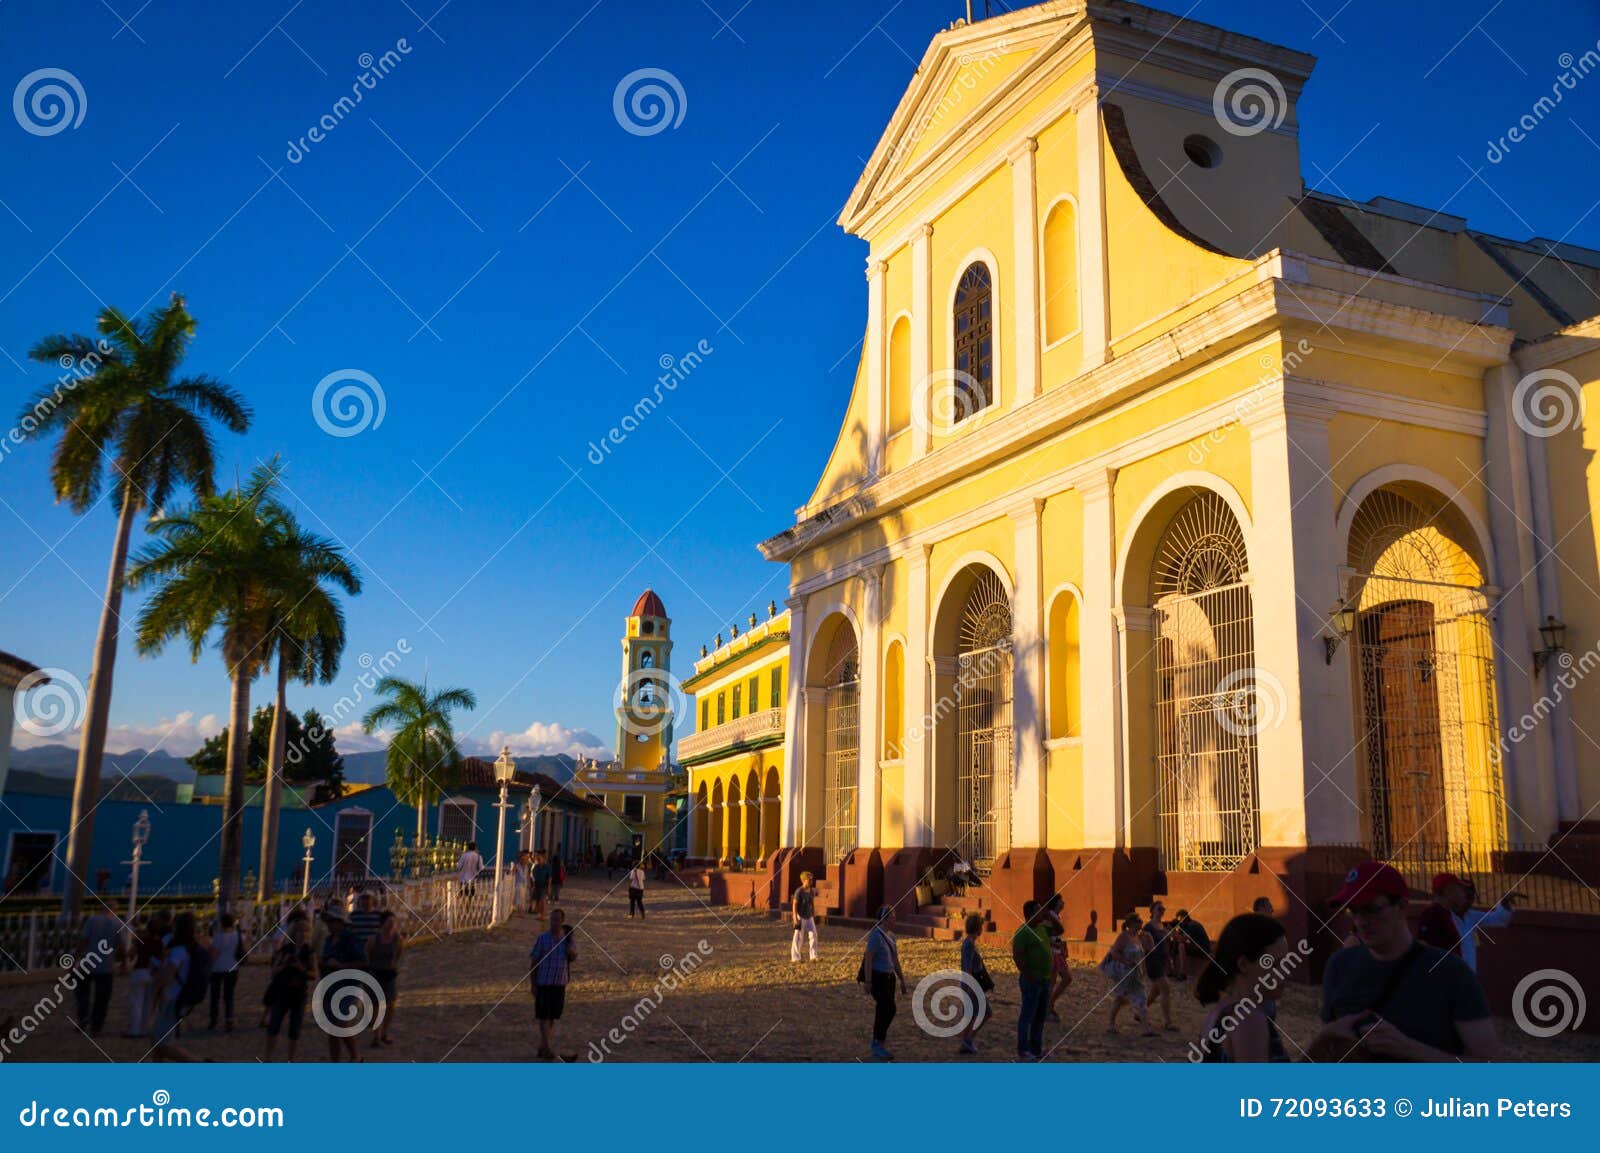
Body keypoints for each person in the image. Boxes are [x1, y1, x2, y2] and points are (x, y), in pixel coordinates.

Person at [1311, 861, 1498, 1062]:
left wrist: (1410, 1049)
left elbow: (1487, 1065)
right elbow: (1327, 1048)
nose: (1361, 921)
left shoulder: (1451, 972)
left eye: (1372, 909)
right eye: (1353, 911)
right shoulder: (1339, 965)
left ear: (1401, 906)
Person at [1194, 912, 1291, 1062]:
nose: (1286, 972)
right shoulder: (1249, 1020)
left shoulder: (1218, 1013)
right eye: (1275, 964)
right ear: (1244, 964)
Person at [1418, 873, 1514, 972]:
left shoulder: (1469, 916)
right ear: (1449, 892)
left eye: (1470, 897)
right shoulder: (1434, 915)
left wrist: (1504, 903)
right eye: (1462, 892)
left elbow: (1497, 919)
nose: (1465, 898)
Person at [262, 911, 316, 1062]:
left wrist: (301, 968)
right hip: (282, 992)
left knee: (295, 1030)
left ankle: (291, 1060)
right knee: (274, 1026)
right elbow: (273, 971)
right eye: (299, 931)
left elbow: (314, 974)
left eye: (305, 931)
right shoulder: (285, 950)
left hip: (299, 994)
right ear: (294, 932)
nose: (302, 934)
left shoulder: (309, 952)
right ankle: (267, 1058)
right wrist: (284, 964)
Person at [318, 904, 366, 1062]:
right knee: (332, 1029)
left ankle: (355, 1055)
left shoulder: (351, 939)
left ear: (340, 922)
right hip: (330, 986)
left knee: (341, 1024)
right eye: (328, 921)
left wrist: (341, 966)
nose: (329, 924)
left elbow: (362, 962)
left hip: (348, 986)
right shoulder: (328, 940)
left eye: (332, 921)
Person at [860, 905, 907, 1061]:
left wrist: (901, 979)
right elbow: (869, 958)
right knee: (888, 1007)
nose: (895, 919)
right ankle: (876, 1042)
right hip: (878, 978)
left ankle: (880, 1043)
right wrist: (867, 981)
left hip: (889, 978)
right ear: (885, 919)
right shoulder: (876, 936)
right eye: (892, 917)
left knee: (885, 1010)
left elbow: (895, 959)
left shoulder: (891, 937)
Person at [150, 911, 198, 1062]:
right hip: (178, 997)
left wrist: (157, 981)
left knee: (161, 1043)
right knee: (156, 1039)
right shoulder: (193, 946)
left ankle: (199, 1064)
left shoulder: (179, 950)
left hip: (173, 998)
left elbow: (167, 975)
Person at [530, 909, 577, 1060]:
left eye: (557, 920)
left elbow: (573, 956)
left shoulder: (568, 939)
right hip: (544, 982)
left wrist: (571, 951)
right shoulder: (543, 939)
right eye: (552, 920)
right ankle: (549, 1050)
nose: (554, 923)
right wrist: (533, 984)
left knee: (552, 1017)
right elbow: (534, 962)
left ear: (562, 921)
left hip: (560, 983)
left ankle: (542, 1047)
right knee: (544, 1015)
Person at [1011, 900, 1053, 1061]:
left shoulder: (1042, 928)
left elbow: (1060, 930)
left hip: (1044, 979)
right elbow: (1018, 956)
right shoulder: (1022, 933)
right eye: (1038, 911)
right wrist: (1029, 975)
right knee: (1027, 1017)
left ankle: (1036, 1049)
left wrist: (1051, 915)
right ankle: (1023, 1050)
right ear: (1030, 914)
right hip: (1032, 981)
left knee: (1040, 1017)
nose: (1041, 913)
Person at [1101, 913, 1155, 1036]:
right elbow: (1114, 953)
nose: (1141, 925)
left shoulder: (1139, 937)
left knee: (1140, 997)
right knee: (1122, 998)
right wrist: (1126, 961)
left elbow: (1148, 951)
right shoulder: (1123, 937)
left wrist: (1149, 937)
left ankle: (1146, 1028)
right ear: (1131, 924)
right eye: (1139, 923)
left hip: (1135, 975)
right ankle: (1111, 1024)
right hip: (1123, 974)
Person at [74, 906, 121, 1036]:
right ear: (115, 910)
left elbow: (84, 940)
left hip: (87, 963)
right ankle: (96, 1026)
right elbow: (120, 945)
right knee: (102, 998)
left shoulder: (92, 920)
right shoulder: (118, 923)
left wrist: (75, 958)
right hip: (106, 966)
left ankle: (83, 1018)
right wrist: (124, 962)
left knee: (82, 994)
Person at [124, 911, 166, 1039]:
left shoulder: (141, 939)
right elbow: (163, 958)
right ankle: (144, 1028)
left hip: (139, 971)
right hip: (153, 973)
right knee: (148, 1004)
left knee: (136, 1002)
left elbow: (130, 954)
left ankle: (134, 1029)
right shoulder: (160, 943)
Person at [367, 911, 404, 1048]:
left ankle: (384, 1032)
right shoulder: (373, 939)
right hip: (376, 974)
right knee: (376, 1006)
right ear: (382, 924)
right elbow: (368, 955)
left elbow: (399, 953)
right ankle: (376, 1035)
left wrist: (392, 965)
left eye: (393, 923)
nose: (391, 926)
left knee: (391, 1005)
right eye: (389, 923)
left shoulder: (397, 938)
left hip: (389, 974)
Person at [957, 912, 993, 1055]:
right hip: (971, 985)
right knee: (986, 1013)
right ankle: (968, 1040)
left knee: (971, 1015)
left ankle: (966, 1041)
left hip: (969, 984)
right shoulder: (969, 944)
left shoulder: (969, 942)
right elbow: (968, 968)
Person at [207, 912, 245, 1032]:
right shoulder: (237, 935)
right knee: (229, 995)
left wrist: (208, 966)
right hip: (233, 967)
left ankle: (214, 1019)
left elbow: (214, 954)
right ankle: (229, 1019)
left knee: (215, 996)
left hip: (217, 968)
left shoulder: (218, 937)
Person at [1141, 901, 1175, 1031]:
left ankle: (1139, 1013)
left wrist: (1169, 961)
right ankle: (1168, 1022)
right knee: (1165, 989)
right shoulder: (1148, 927)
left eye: (1163, 909)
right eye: (1159, 909)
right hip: (1153, 961)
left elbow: (1166, 946)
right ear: (1153, 910)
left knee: (1155, 991)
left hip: (1161, 961)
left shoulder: (1163, 926)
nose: (1162, 911)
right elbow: (1144, 946)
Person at [1042, 893, 1071, 1022]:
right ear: (1056, 903)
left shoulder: (1056, 916)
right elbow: (1044, 936)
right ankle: (1047, 1008)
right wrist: (1054, 943)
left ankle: (1049, 1004)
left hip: (1057, 952)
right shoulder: (1049, 918)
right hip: (1052, 952)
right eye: (1061, 901)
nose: (1063, 903)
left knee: (1064, 979)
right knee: (1054, 981)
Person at [1169, 909, 1211, 980]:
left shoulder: (1193, 925)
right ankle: (1172, 969)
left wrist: (1173, 932)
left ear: (1185, 918)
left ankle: (1182, 973)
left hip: (1202, 948)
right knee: (1173, 944)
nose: (1179, 922)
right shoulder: (1183, 926)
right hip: (1194, 946)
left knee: (1181, 946)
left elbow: (1183, 939)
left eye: (1180, 920)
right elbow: (1178, 938)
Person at [790, 871, 819, 962]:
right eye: (809, 879)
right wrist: (795, 917)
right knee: (798, 937)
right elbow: (794, 904)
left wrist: (813, 913)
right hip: (800, 916)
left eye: (811, 879)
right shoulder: (799, 891)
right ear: (804, 880)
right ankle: (795, 957)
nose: (811, 881)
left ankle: (813, 956)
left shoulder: (811, 891)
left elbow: (812, 903)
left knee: (813, 935)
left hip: (809, 916)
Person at [531, 852, 551, 918]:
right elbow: (533, 876)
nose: (538, 860)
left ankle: (543, 915)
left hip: (544, 886)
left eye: (540, 859)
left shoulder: (547, 867)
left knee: (542, 901)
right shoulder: (536, 867)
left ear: (543, 859)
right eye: (538, 859)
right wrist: (533, 885)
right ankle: (539, 914)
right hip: (537, 885)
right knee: (537, 900)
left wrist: (549, 887)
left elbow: (549, 878)